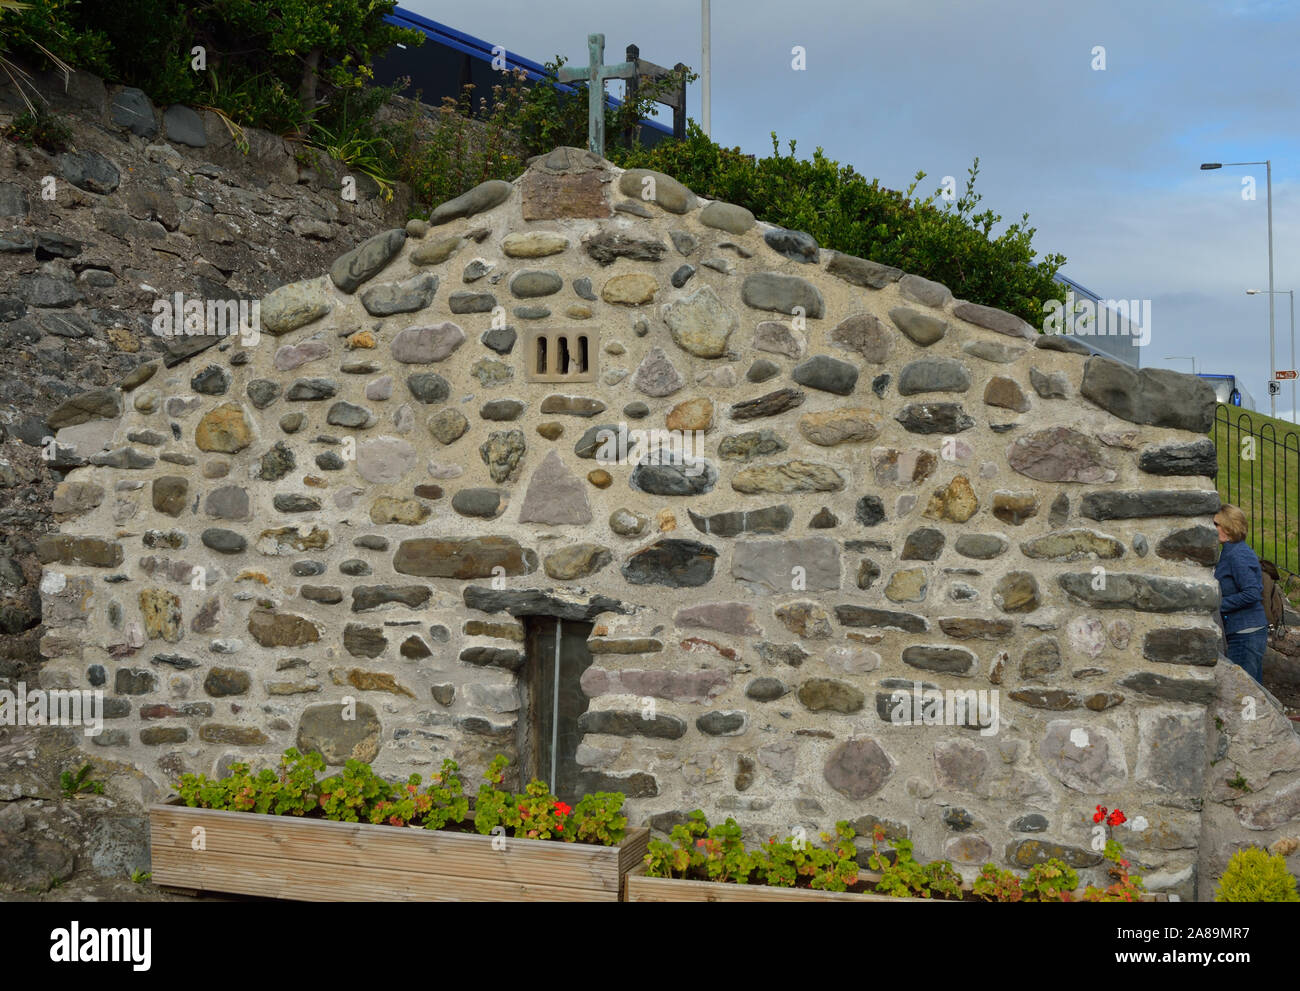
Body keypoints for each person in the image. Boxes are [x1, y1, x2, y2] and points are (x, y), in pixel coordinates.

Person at [1214, 504, 1267, 684]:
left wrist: (1218, 605)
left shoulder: (1238, 555)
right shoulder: (1230, 551)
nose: (1212, 528)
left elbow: (1252, 593)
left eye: (1216, 524)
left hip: (1246, 634)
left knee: (1245, 693)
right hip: (1240, 632)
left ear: (1228, 528)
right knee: (1250, 693)